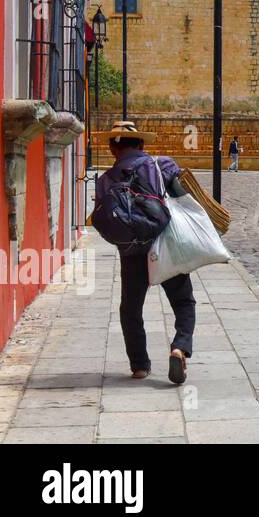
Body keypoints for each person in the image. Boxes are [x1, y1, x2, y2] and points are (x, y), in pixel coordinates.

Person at [91, 120, 195, 384]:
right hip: (166, 244)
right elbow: (183, 192)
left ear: (113, 150)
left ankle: (139, 365)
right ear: (141, 143)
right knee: (183, 302)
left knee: (131, 309)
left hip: (132, 251)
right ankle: (179, 347)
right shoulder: (161, 165)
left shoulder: (104, 181)